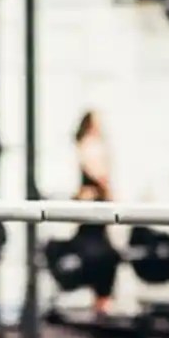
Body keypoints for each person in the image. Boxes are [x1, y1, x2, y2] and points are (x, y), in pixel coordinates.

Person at [73, 111, 117, 315]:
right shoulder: (88, 145)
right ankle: (100, 300)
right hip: (92, 205)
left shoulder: (93, 145)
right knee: (98, 253)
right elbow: (98, 173)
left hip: (98, 204)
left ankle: (102, 300)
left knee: (104, 254)